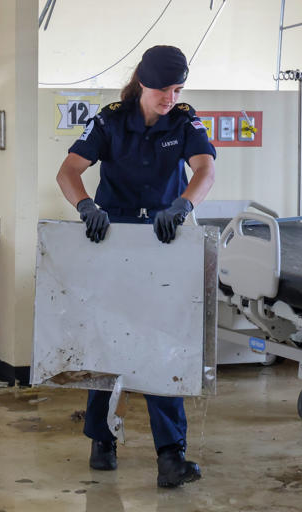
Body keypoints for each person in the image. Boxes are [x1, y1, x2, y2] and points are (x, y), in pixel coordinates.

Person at [55, 45, 216, 488]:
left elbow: (204, 170)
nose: (170, 96)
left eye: (177, 88)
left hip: (164, 242)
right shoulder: (108, 120)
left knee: (166, 346)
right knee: (107, 343)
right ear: (143, 83)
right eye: (164, 88)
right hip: (110, 243)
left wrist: (182, 206)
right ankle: (102, 442)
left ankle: (170, 456)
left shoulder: (183, 120)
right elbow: (69, 170)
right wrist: (85, 206)